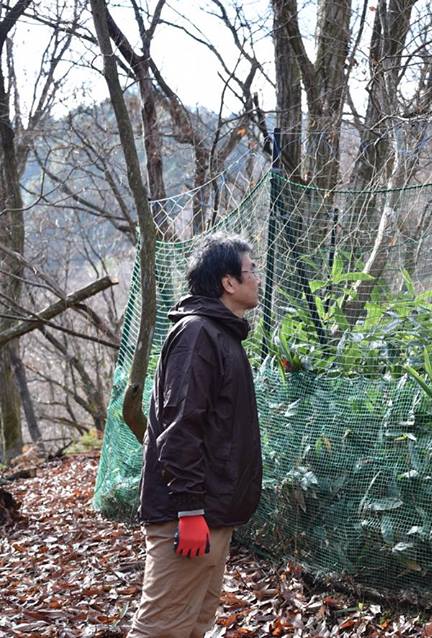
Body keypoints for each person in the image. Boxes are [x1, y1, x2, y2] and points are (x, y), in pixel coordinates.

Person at [129, 234, 262, 638]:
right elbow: (180, 427)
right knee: (161, 629)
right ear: (228, 283)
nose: (257, 278)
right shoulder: (197, 334)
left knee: (192, 627)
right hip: (187, 515)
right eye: (251, 271)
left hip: (212, 512)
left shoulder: (223, 335)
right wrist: (188, 511)